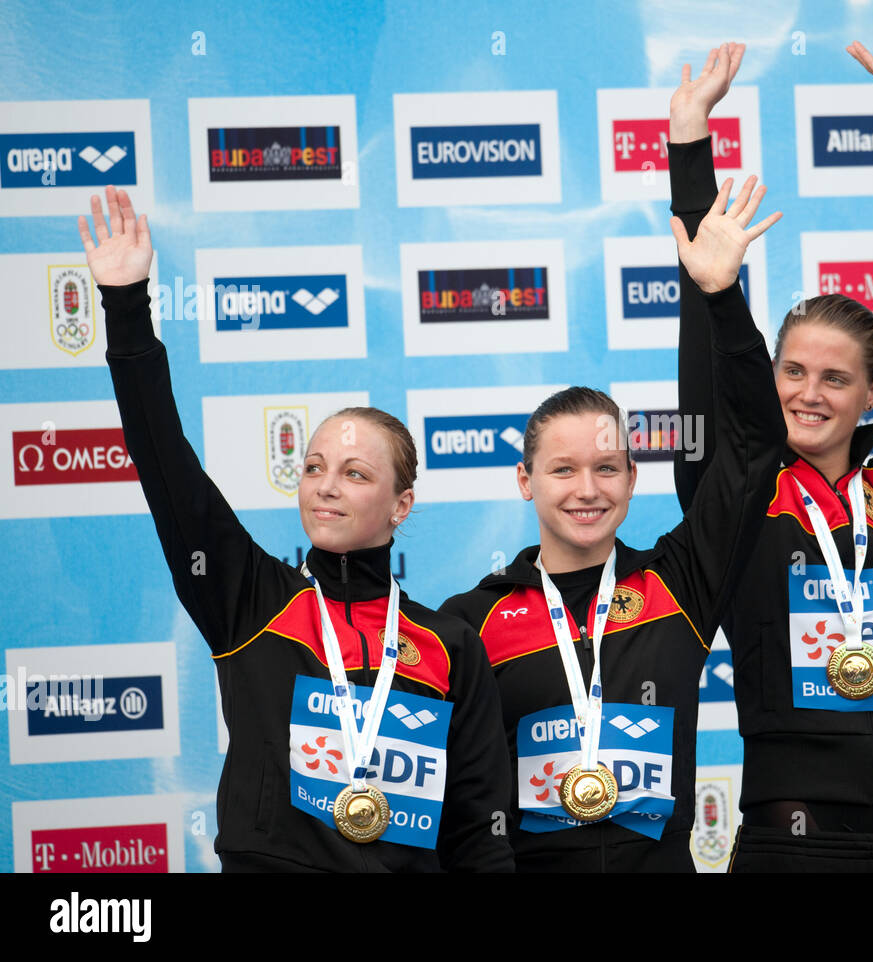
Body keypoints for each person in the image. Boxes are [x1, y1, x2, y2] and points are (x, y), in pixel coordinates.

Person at [81, 186, 513, 872]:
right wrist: (127, 306)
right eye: (314, 467)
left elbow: (479, 834)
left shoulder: (447, 643)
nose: (327, 485)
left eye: (355, 473)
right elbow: (168, 470)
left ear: (402, 505)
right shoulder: (250, 600)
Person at [671, 42, 873, 871]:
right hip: (790, 835)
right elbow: (707, 339)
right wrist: (689, 147)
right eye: (792, 371)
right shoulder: (734, 488)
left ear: (872, 394)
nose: (809, 393)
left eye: (835, 379)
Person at [441, 174, 785, 872]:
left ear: (633, 479)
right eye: (563, 470)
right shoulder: (468, 622)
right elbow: (459, 805)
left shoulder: (680, 581)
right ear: (525, 481)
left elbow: (753, 444)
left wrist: (720, 299)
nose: (587, 489)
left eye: (606, 468)